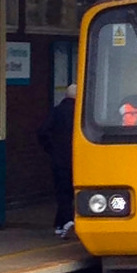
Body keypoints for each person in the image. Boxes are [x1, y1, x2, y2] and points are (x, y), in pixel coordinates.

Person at [38, 84, 76, 238]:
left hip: (60, 158)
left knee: (62, 191)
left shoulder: (57, 111)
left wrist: (51, 149)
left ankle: (62, 223)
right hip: (80, 158)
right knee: (74, 190)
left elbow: (42, 131)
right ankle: (65, 221)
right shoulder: (82, 113)